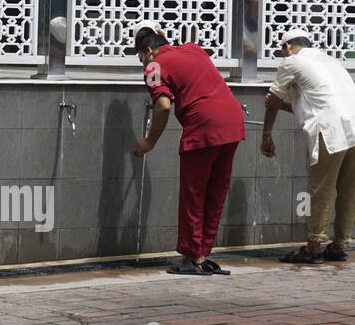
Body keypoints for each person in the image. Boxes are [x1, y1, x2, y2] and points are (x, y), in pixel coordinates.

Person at [130, 28, 245, 275]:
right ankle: (202, 253)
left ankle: (192, 256)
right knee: (216, 192)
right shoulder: (193, 49)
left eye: (140, 56)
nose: (141, 62)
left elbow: (162, 106)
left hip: (203, 126)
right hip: (233, 121)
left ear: (148, 50)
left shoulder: (153, 68)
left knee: (194, 193)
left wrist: (150, 141)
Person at [262, 29, 355, 263]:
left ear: (288, 47)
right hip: (353, 126)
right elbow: (317, 103)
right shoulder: (331, 61)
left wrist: (266, 135)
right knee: (348, 190)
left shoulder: (292, 61)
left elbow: (272, 100)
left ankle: (313, 247)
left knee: (321, 189)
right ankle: (339, 245)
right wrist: (284, 104)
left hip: (330, 130)